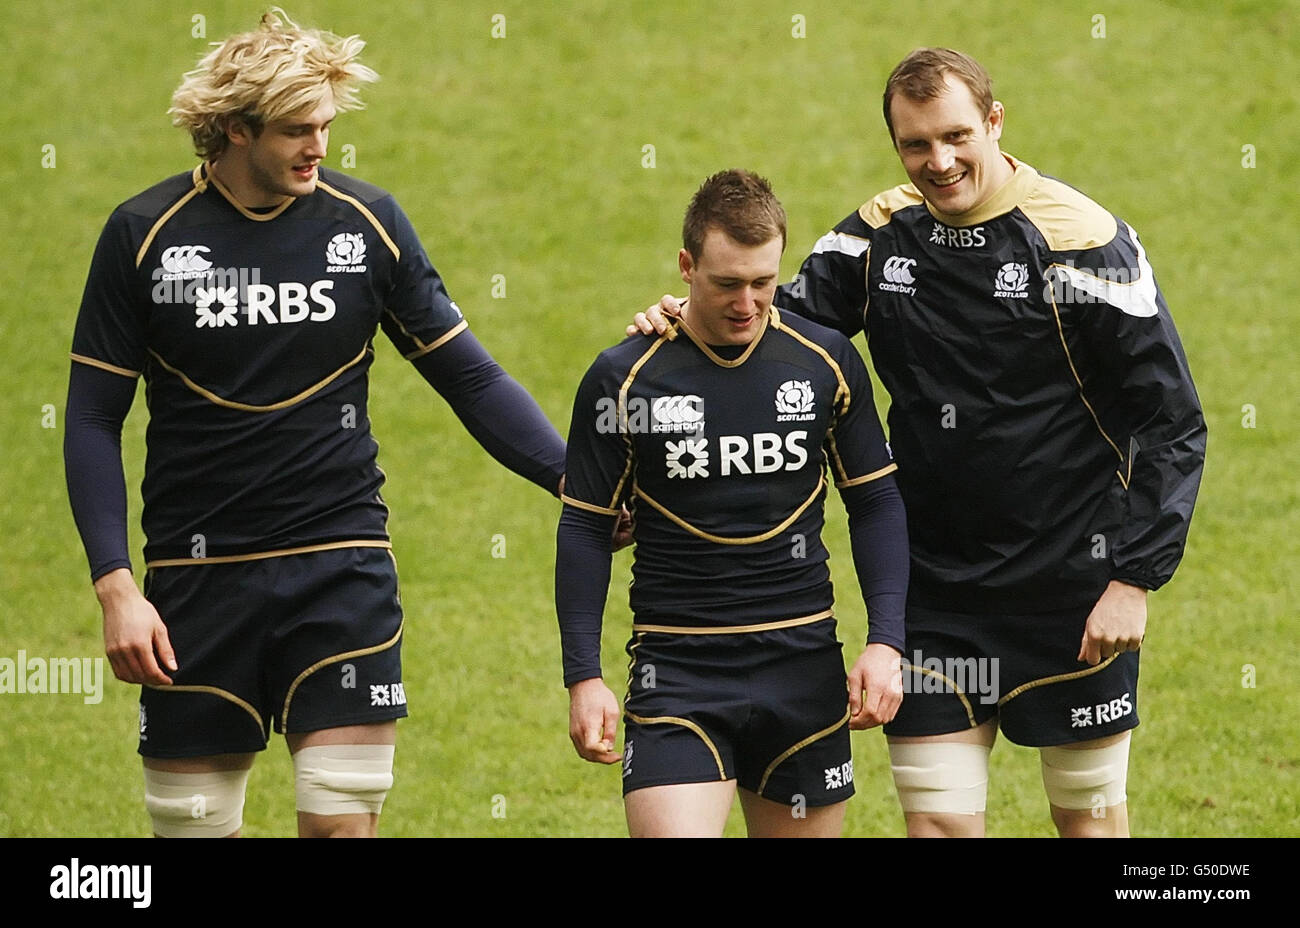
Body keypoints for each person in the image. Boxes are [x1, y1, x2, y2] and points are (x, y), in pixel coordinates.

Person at [632, 49, 1206, 837]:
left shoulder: (1084, 243)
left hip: (1070, 595)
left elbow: (1172, 420)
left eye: (956, 136)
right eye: (914, 144)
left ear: (995, 122)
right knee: (937, 826)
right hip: (935, 599)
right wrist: (684, 317)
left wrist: (1135, 578)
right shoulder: (877, 239)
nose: (938, 162)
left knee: (1090, 825)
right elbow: (772, 334)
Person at [64, 10, 565, 838]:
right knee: (193, 828)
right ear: (233, 128)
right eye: (298, 129)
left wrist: (573, 482)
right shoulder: (143, 236)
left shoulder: (365, 226)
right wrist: (116, 586)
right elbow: (91, 415)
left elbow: (469, 376)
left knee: (341, 828)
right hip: (195, 583)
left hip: (341, 568)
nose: (319, 147)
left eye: (327, 125)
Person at [559, 169, 909, 837]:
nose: (747, 302)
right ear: (687, 266)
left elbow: (876, 503)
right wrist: (584, 676)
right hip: (680, 673)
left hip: (804, 668)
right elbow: (583, 529)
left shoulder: (824, 363)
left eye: (763, 282)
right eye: (726, 283)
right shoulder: (626, 377)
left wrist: (886, 642)